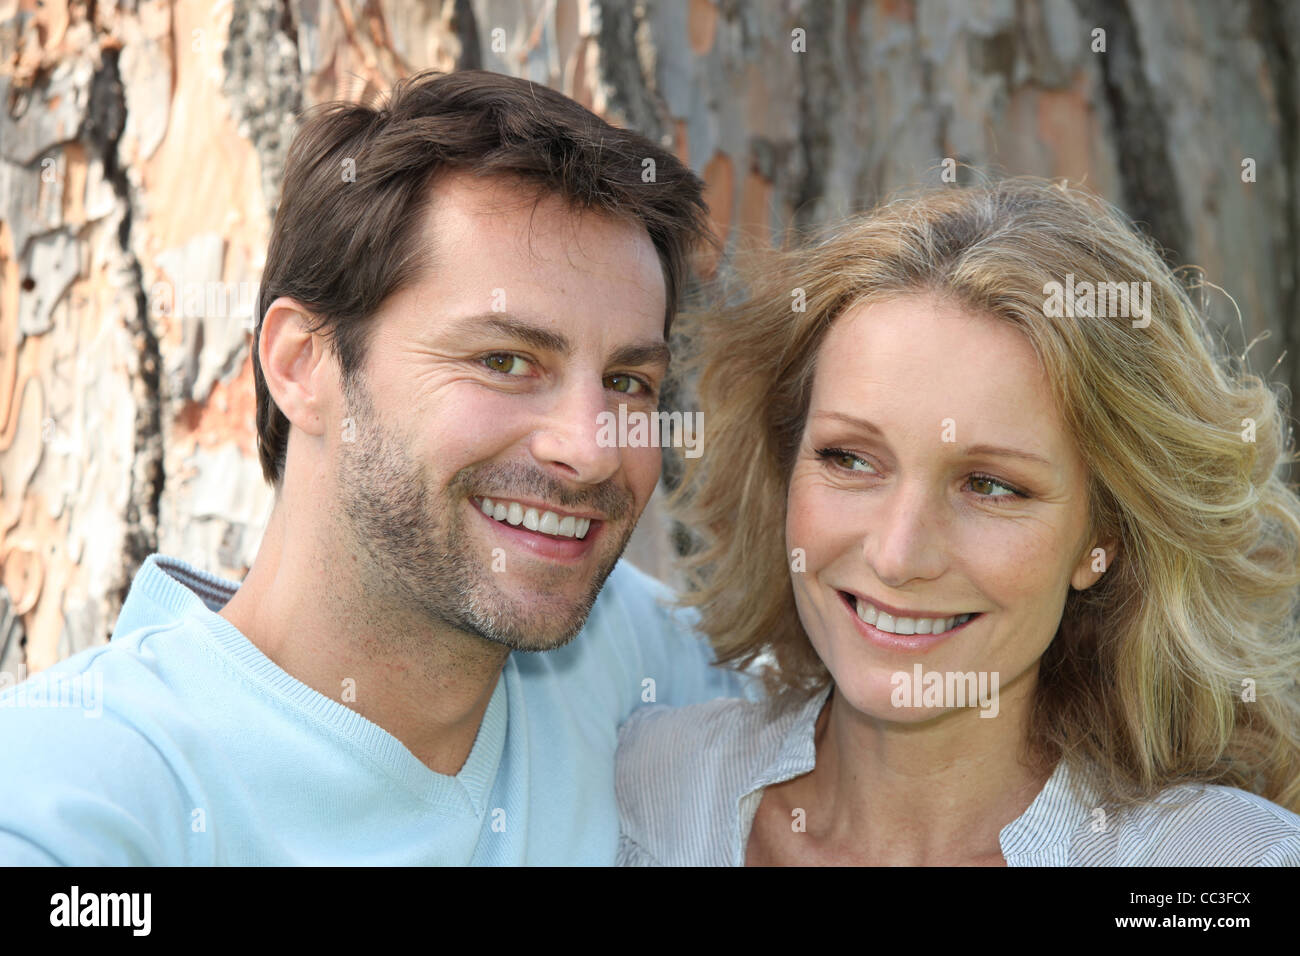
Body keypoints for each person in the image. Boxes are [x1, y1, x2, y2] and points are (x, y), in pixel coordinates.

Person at [0, 69, 753, 865]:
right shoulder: (81, 794)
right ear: (302, 365)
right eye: (505, 359)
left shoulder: (619, 655)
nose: (592, 446)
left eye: (629, 382)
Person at [616, 177, 1300, 866]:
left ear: (1102, 538)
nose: (897, 554)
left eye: (990, 486)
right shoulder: (645, 796)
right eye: (850, 459)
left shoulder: (1224, 866)